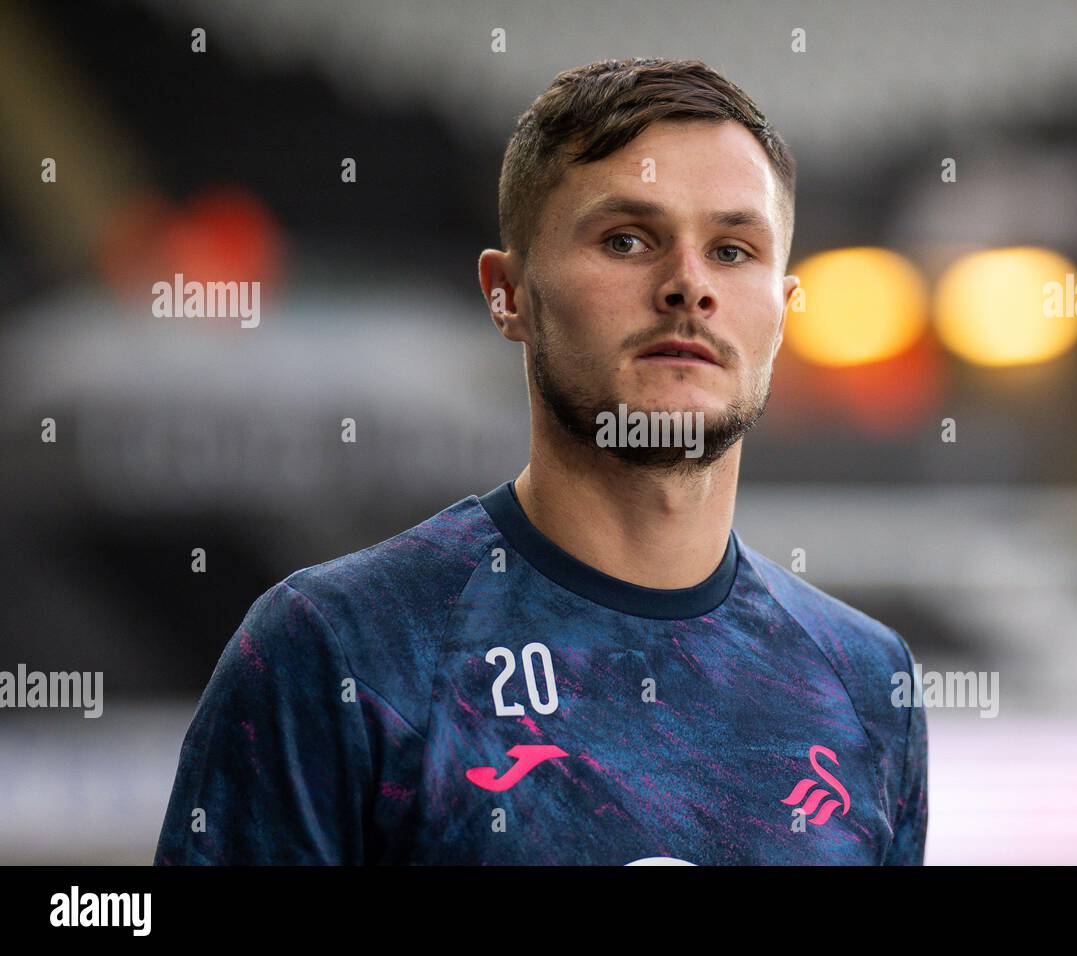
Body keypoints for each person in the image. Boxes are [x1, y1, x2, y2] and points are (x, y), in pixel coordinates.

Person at [154, 56, 927, 865]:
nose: (688, 286)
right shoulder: (339, 649)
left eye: (733, 250)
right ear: (508, 294)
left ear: (784, 312)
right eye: (627, 239)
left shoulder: (868, 683)